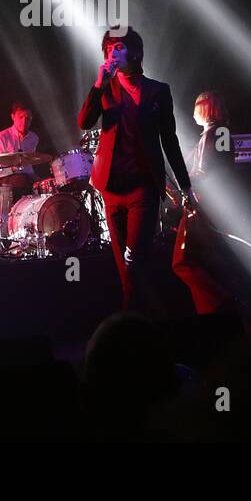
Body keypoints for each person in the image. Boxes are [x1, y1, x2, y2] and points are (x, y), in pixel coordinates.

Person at [78, 27, 195, 311]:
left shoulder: (158, 91)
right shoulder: (105, 90)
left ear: (135, 52)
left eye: (119, 47)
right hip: (110, 187)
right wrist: (98, 85)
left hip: (143, 186)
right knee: (125, 266)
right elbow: (84, 122)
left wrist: (185, 185)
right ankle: (139, 322)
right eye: (108, 49)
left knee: (135, 256)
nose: (112, 53)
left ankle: (133, 325)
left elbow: (170, 140)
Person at [172, 92, 236, 314]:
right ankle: (211, 309)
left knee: (182, 261)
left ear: (205, 108)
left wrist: (184, 182)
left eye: (197, 106)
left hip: (206, 207)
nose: (193, 112)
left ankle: (219, 303)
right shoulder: (215, 134)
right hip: (207, 206)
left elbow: (213, 171)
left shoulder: (218, 133)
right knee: (196, 261)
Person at [0, 101, 39, 228]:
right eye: (21, 117)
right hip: (4, 179)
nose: (24, 121)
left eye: (28, 118)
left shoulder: (34, 138)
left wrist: (38, 180)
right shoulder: (1, 137)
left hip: (25, 177)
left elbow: (29, 165)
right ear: (13, 117)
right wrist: (14, 167)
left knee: (45, 186)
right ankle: (16, 226)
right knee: (21, 180)